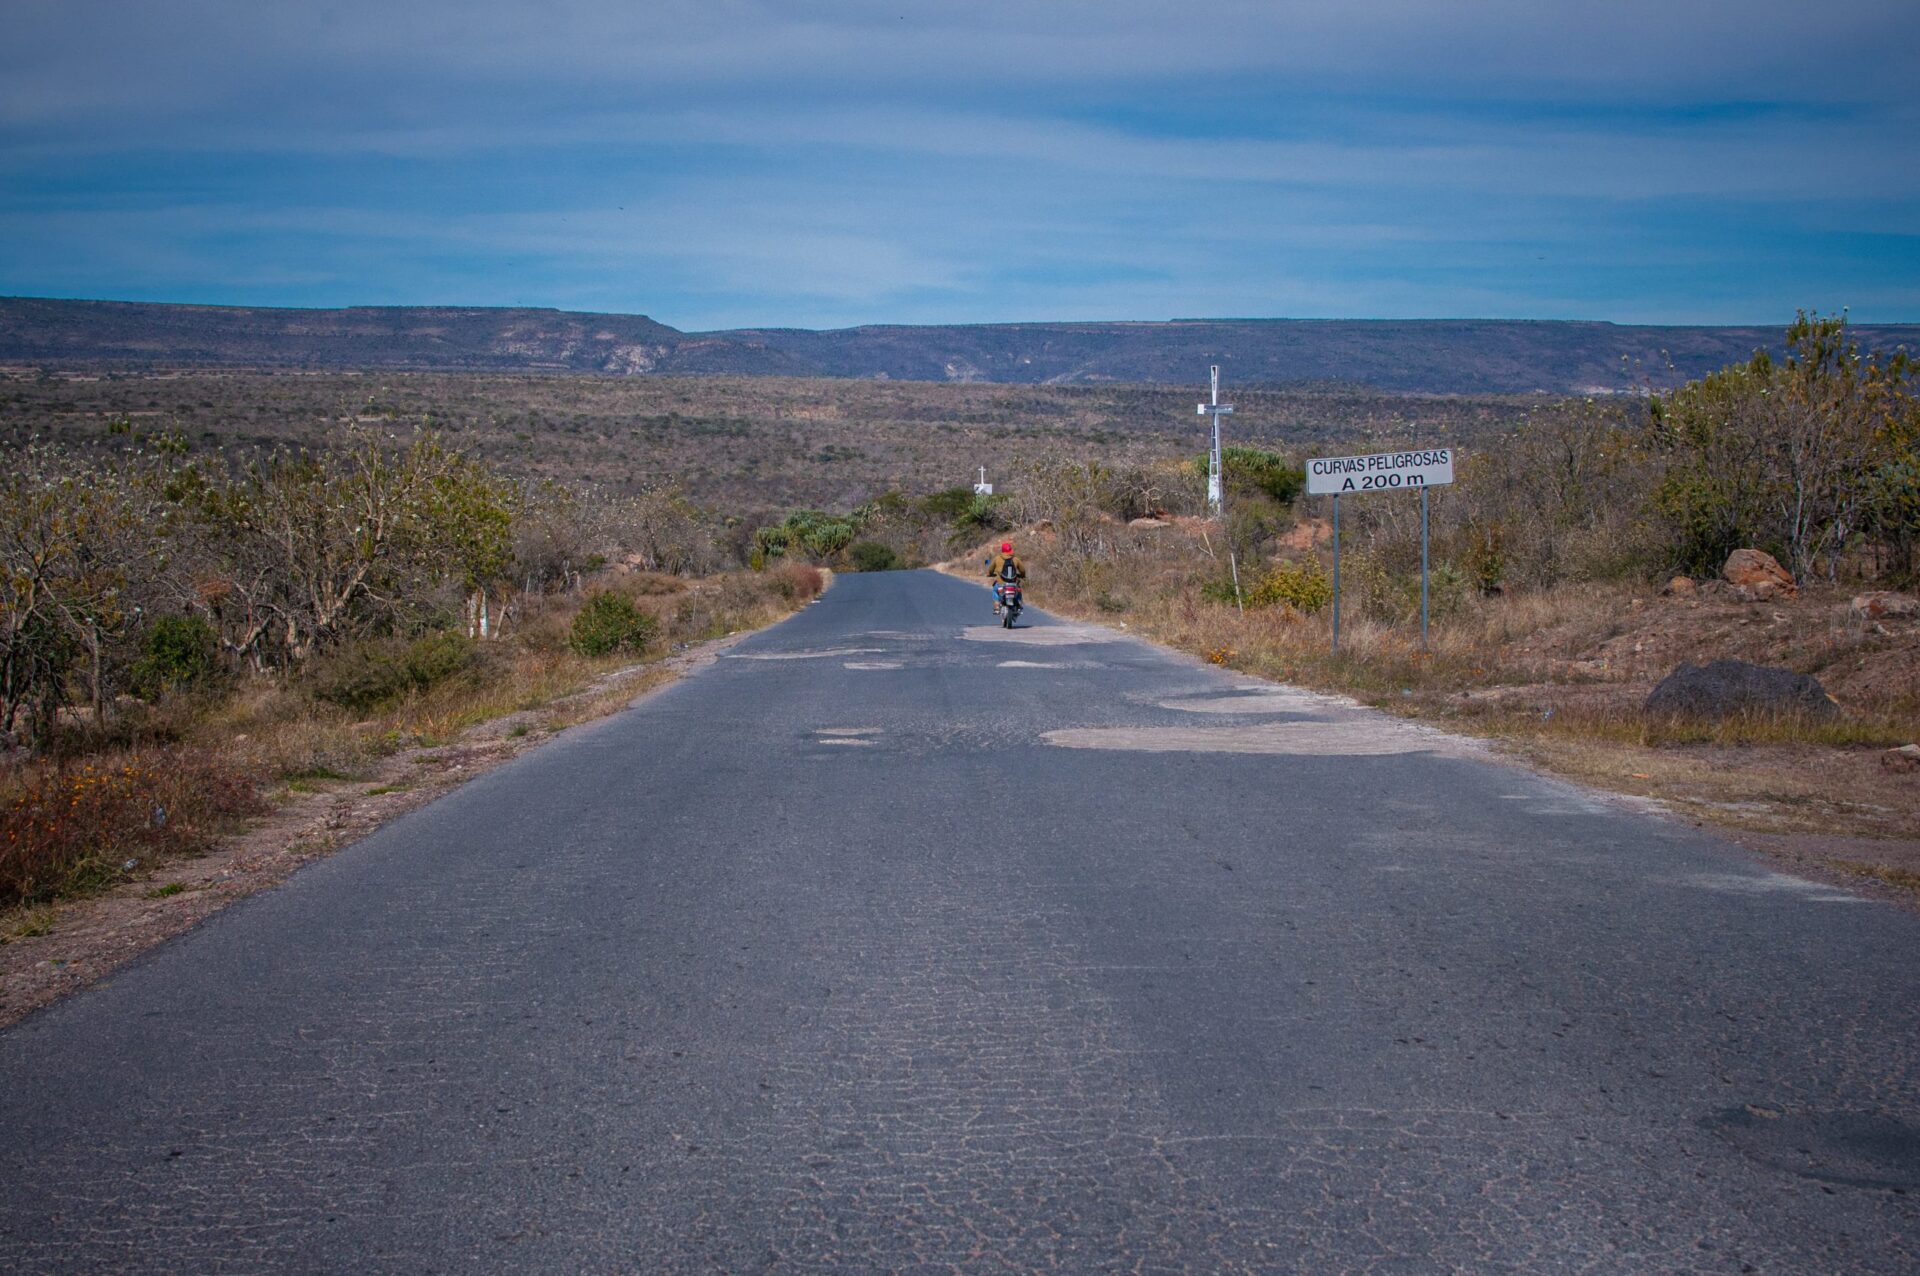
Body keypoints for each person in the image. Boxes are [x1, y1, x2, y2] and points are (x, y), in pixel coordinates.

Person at [986, 540, 1025, 617]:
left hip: (1001, 583)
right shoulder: (1015, 559)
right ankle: (1019, 604)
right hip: (1013, 583)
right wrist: (1022, 575)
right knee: (1018, 591)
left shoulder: (997, 558)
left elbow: (990, 569)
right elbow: (1022, 570)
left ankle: (997, 607)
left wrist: (990, 574)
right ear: (1010, 550)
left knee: (995, 590)